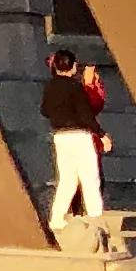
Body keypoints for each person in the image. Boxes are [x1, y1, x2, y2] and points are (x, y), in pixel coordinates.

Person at [40, 48, 109, 243]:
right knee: (90, 178)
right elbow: (85, 114)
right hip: (80, 135)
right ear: (72, 66)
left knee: (67, 180)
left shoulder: (50, 87)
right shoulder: (75, 87)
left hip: (60, 136)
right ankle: (96, 217)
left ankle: (57, 220)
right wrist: (102, 134)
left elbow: (44, 110)